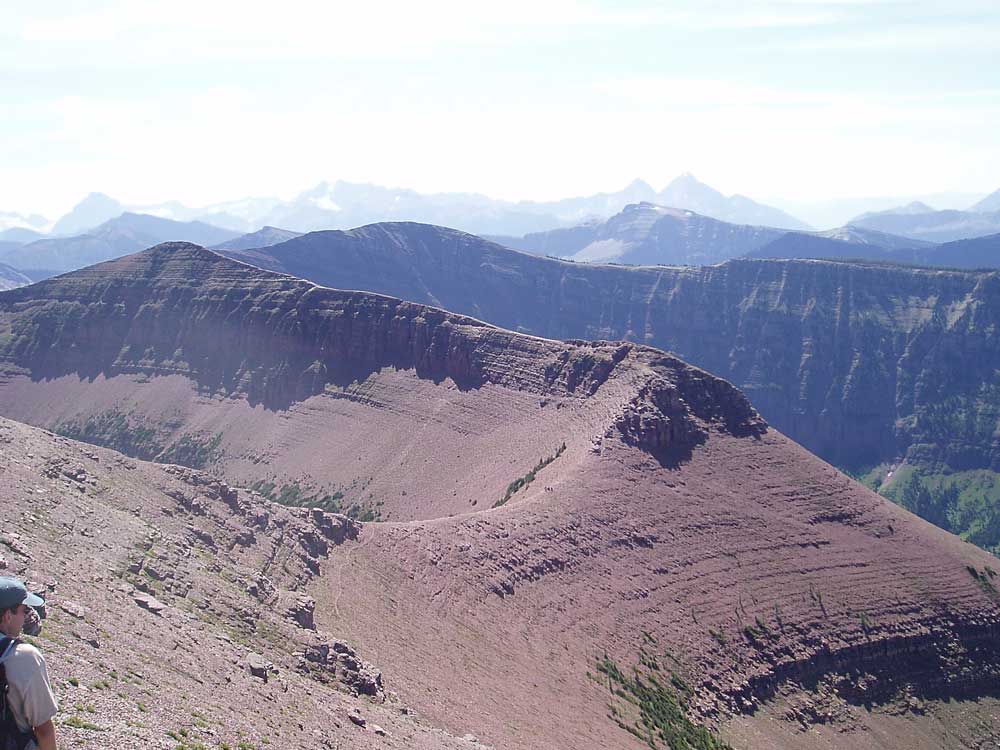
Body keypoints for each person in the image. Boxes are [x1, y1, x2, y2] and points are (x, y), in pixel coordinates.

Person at [0, 577, 58, 750]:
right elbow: (43, 730)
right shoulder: (23, 656)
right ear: (7, 616)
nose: (26, 617)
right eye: (24, 610)